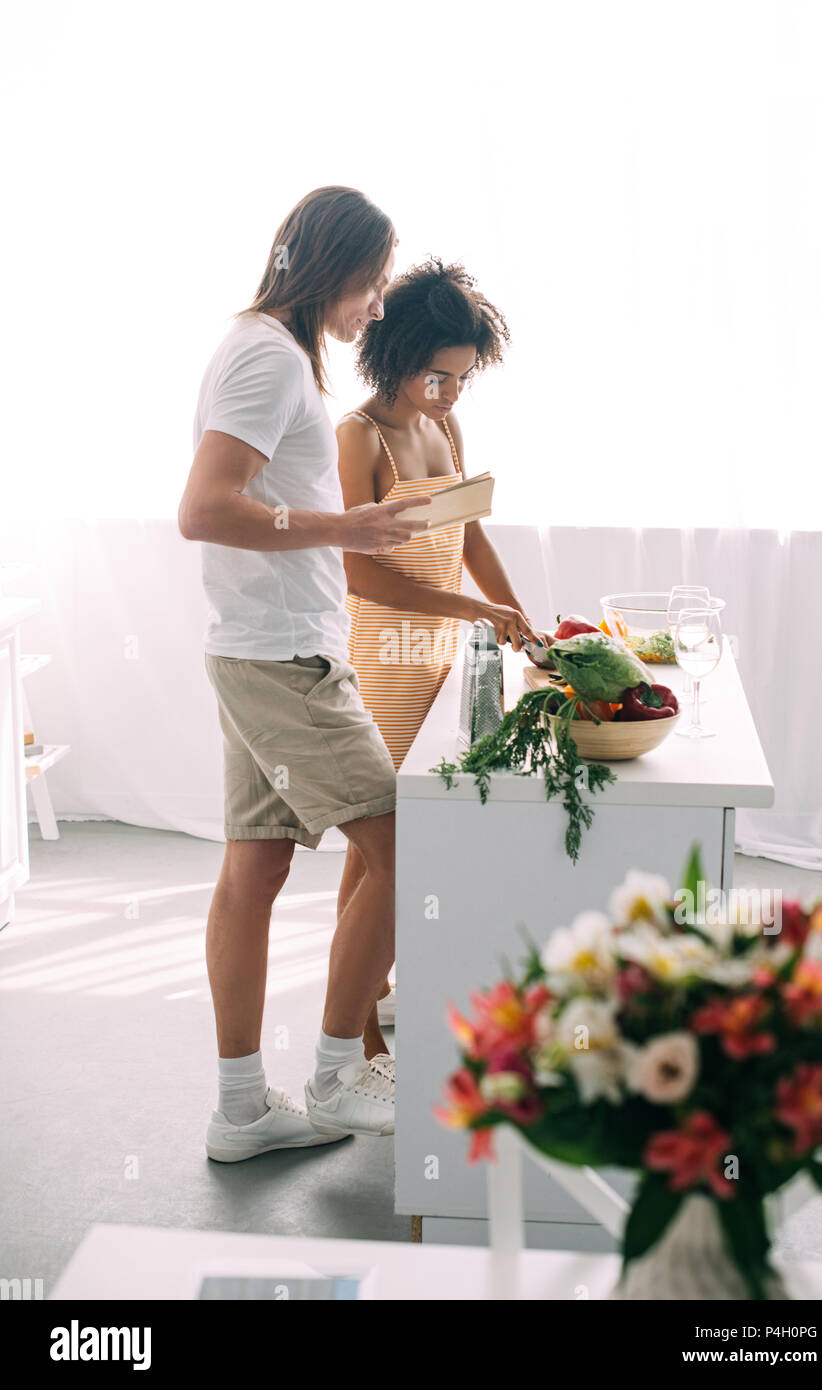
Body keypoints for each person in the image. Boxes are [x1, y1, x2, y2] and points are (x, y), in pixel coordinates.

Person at [178, 187, 434, 1160]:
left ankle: (241, 1110)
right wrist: (350, 527)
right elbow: (204, 507)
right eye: (371, 283)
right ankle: (336, 1072)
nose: (376, 304)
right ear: (331, 266)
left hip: (259, 646)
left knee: (255, 868)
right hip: (284, 657)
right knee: (415, 848)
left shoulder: (267, 352)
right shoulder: (266, 358)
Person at [336, 259, 557, 1019]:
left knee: (409, 832)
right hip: (386, 658)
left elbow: (467, 537)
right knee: (380, 846)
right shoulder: (359, 438)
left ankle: (375, 991)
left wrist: (516, 616)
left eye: (461, 378)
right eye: (438, 376)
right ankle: (355, 1029)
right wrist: (472, 611)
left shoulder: (445, 426)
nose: (450, 393)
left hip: (435, 649)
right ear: (394, 357)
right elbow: (359, 577)